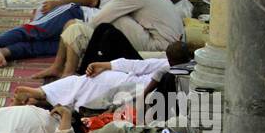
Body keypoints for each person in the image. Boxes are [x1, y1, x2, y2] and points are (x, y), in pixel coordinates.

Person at [13, 40, 191, 110]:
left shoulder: (181, 75)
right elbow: (140, 65)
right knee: (80, 85)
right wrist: (106, 65)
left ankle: (41, 95)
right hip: (124, 82)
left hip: (131, 91)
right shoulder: (166, 65)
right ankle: (40, 94)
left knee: (80, 87)